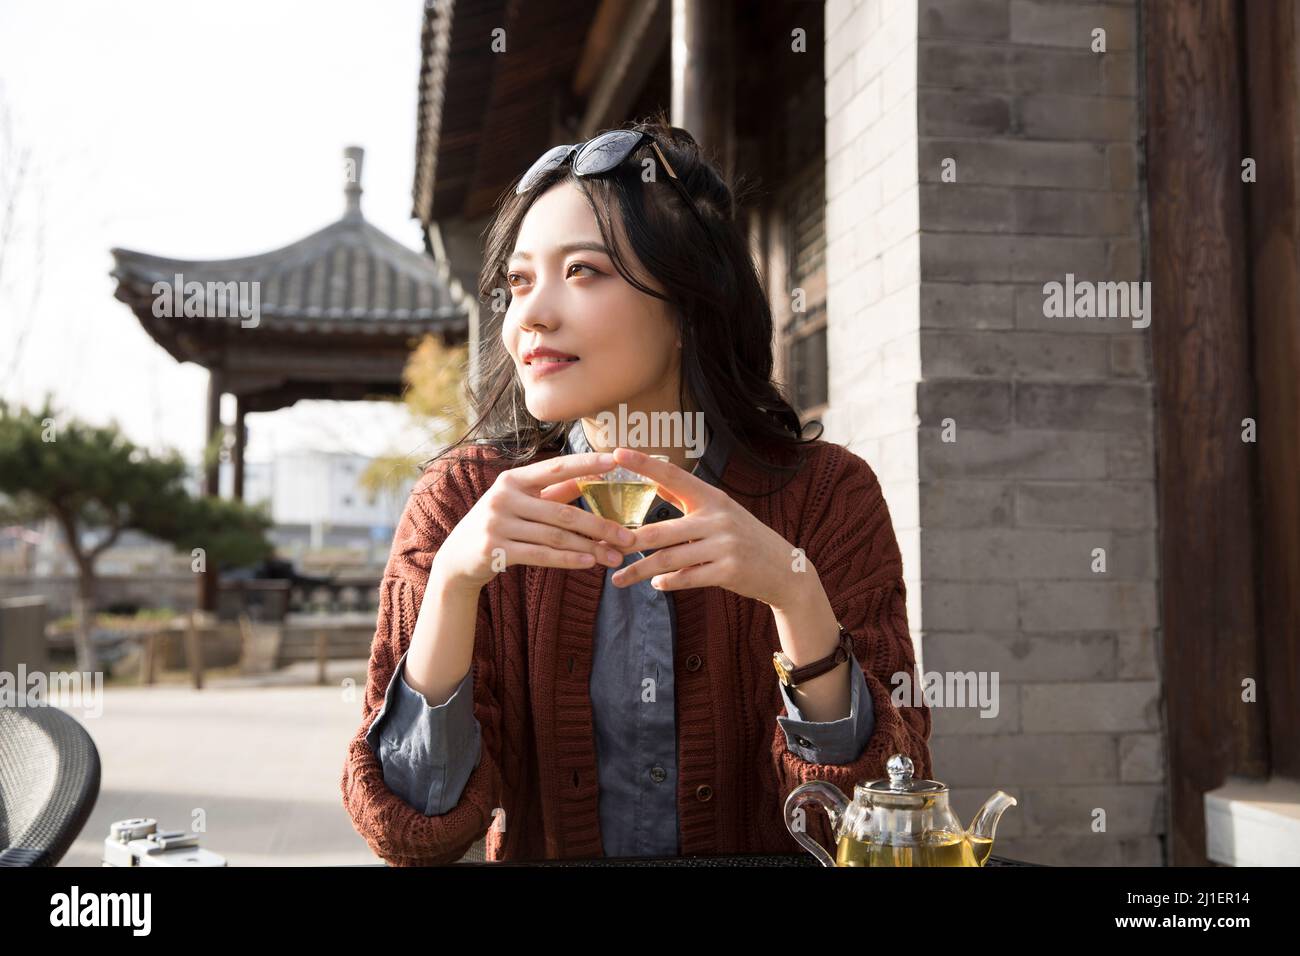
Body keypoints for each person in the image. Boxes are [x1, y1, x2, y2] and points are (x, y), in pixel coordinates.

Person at [341, 113, 932, 866]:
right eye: (520, 281)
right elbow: (409, 835)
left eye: (582, 271)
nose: (531, 314)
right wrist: (453, 586)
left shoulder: (827, 497)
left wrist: (795, 596)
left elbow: (879, 826)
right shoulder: (459, 504)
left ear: (687, 303)